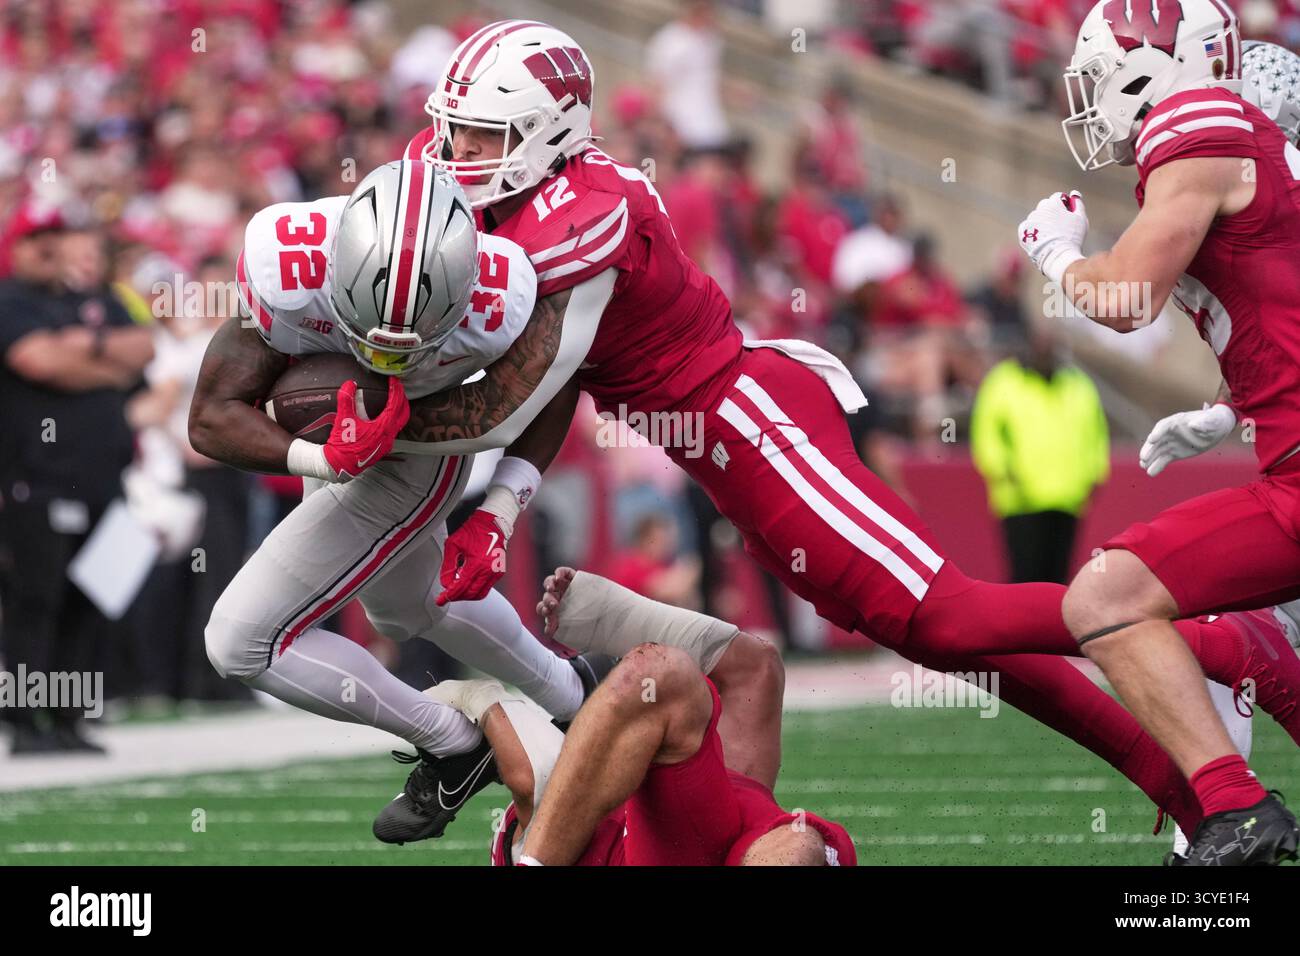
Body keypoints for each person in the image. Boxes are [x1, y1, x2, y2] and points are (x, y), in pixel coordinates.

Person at [389, 19, 1300, 861]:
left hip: (756, 426)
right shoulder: (529, 205)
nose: (456, 154)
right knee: (953, 639)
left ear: (546, 133)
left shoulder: (583, 211)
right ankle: (1191, 789)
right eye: (455, 130)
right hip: (733, 448)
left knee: (950, 620)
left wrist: (385, 426)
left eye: (481, 135)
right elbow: (556, 381)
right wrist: (500, 505)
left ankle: (1232, 658)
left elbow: (521, 382)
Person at [188, 162, 604, 840]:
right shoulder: (289, 267)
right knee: (407, 608)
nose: (388, 348)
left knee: (240, 641)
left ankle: (455, 745)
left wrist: (501, 506)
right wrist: (320, 457)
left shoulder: (504, 297)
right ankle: (574, 695)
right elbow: (209, 416)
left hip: (424, 452)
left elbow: (556, 386)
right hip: (337, 445)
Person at [1017, 2, 1300, 863]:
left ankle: (1231, 810)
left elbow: (1127, 297)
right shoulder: (1235, 136)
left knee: (1106, 598)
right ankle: (1221, 825)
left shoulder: (1197, 116)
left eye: (1098, 75)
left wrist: (1059, 256)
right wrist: (1231, 406)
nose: (1092, 99)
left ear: (1145, 65)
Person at [426, 567, 855, 866]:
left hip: (723, 818)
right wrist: (470, 697)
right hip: (703, 840)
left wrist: (466, 703)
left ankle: (609, 632)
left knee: (757, 668)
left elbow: (529, 775)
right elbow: (529, 774)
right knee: (660, 677)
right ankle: (609, 636)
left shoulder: (547, 808)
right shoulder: (547, 808)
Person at [0, 208, 153, 754]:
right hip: (35, 481)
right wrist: (102, 358)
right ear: (15, 246)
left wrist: (78, 350)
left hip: (101, 479)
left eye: (54, 236)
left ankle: (68, 718)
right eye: (35, 237)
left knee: (90, 599)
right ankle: (20, 722)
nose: (46, 246)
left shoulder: (95, 298)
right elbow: (38, 361)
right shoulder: (10, 300)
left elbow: (144, 351)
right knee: (34, 600)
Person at [970, 325, 1109, 584]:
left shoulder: (1078, 385)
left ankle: (1050, 626)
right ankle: (1023, 626)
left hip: (1068, 498)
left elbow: (1096, 433)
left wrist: (1095, 474)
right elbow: (987, 433)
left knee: (1058, 580)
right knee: (1025, 578)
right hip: (1020, 500)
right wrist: (1003, 472)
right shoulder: (1004, 382)